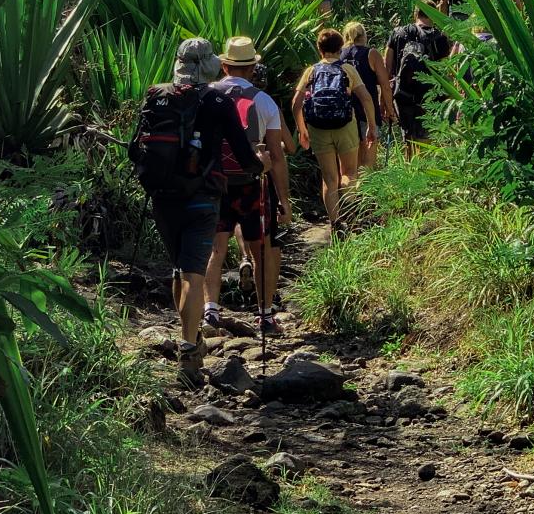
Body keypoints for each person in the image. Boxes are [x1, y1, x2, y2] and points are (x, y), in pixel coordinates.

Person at [129, 38, 268, 388]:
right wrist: (259, 167)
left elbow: (136, 148)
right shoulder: (217, 100)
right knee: (192, 272)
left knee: (179, 268)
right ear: (209, 66)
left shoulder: (156, 94)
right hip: (203, 196)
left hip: (162, 196)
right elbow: (241, 150)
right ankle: (189, 351)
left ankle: (188, 334)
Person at [204, 37, 292, 337]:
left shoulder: (207, 96)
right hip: (253, 185)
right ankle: (265, 316)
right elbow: (277, 156)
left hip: (215, 183)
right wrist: (284, 199)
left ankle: (210, 311)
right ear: (253, 67)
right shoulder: (264, 101)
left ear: (224, 65)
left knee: (216, 248)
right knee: (260, 250)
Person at [293, 28, 376, 230]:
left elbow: (296, 103)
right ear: (340, 48)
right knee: (349, 172)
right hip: (345, 125)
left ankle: (335, 223)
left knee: (329, 178)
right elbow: (366, 98)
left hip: (318, 128)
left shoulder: (311, 71)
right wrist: (372, 126)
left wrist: (302, 130)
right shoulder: (347, 69)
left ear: (319, 48)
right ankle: (351, 212)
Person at [385, 5, 450, 158]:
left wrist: (385, 97)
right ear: (432, 15)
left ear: (415, 14)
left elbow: (387, 69)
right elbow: (445, 71)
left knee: (408, 138)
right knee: (426, 137)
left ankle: (410, 171)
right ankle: (425, 173)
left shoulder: (397, 33)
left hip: (403, 94)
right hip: (430, 95)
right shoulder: (439, 37)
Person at [341, 21, 395, 169]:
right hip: (368, 109)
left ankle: (352, 191)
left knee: (352, 163)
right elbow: (385, 85)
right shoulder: (371, 53)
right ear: (364, 36)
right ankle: (365, 189)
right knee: (368, 161)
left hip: (345, 112)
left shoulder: (339, 54)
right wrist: (390, 109)